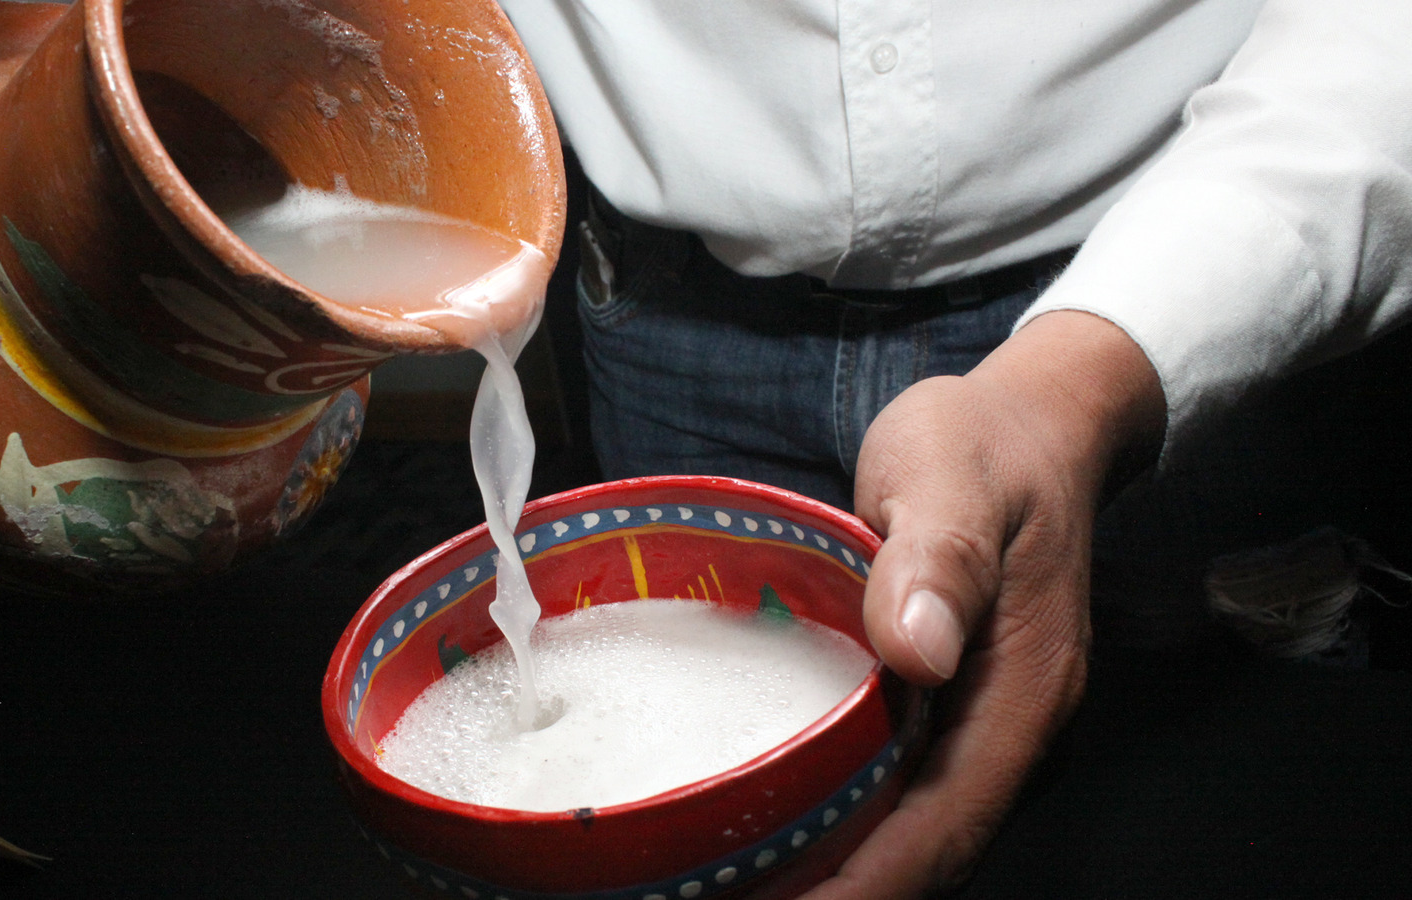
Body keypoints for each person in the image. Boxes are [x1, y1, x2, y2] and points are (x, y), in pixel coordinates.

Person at [490, 1, 1412, 897]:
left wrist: (1079, 388)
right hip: (671, 318)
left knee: (1212, 810)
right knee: (694, 829)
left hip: (1207, 272)